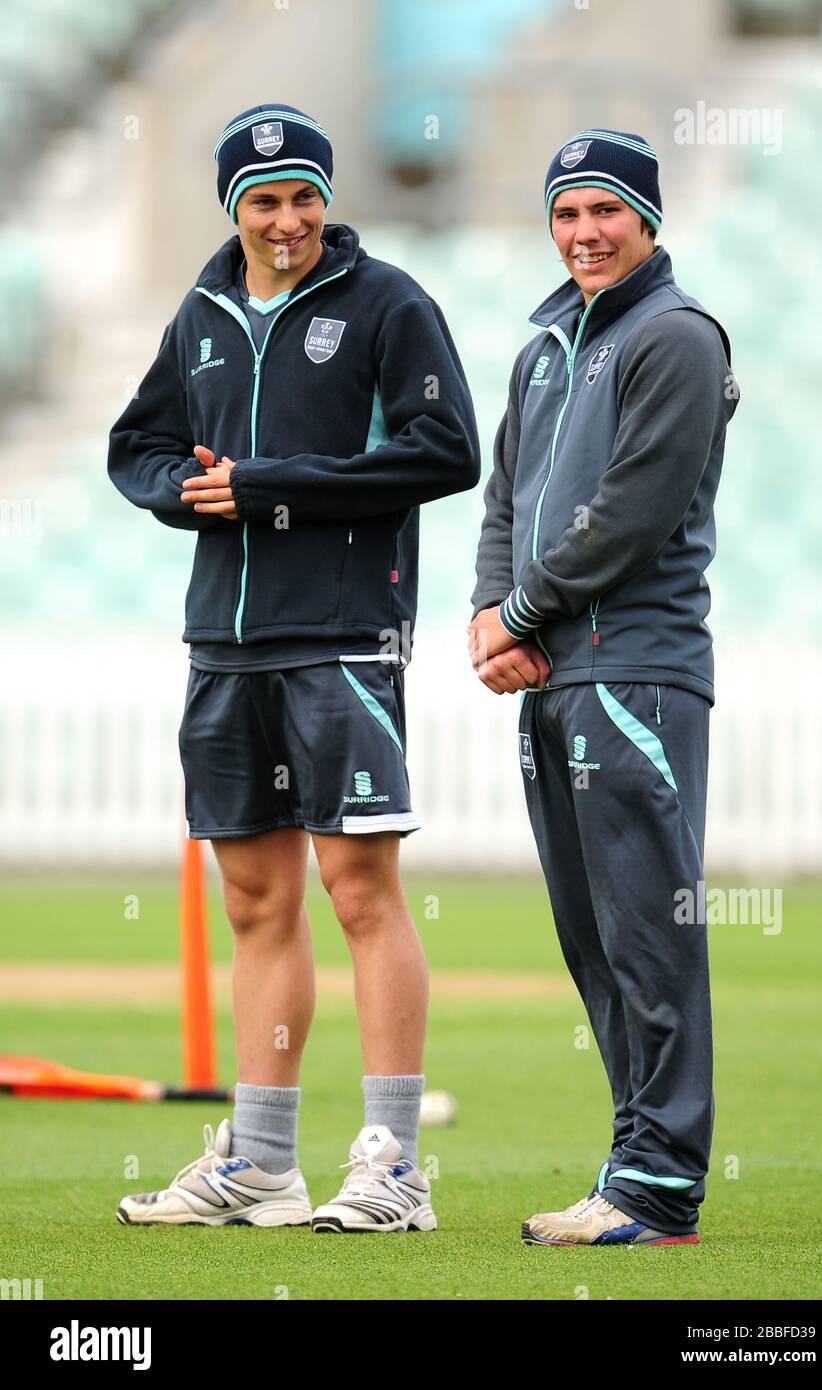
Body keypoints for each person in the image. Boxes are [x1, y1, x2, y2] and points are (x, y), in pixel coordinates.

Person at [108, 103, 480, 1232]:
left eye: (303, 197)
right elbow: (140, 445)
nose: (285, 221)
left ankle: (393, 1165)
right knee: (254, 899)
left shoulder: (387, 304)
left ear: (327, 198)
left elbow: (444, 450)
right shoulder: (204, 309)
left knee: (357, 890)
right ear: (234, 207)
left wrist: (271, 484)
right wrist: (184, 490)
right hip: (223, 642)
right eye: (262, 202)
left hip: (341, 636)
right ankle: (262, 1161)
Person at [468, 128, 739, 1246]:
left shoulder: (673, 335)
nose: (583, 233)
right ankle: (629, 1166)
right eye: (566, 213)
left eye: (605, 212)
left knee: (647, 931)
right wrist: (490, 616)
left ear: (647, 220)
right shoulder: (543, 348)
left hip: (630, 666)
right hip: (550, 673)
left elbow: (631, 508)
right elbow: (502, 498)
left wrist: (521, 614)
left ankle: (658, 1184)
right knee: (591, 937)